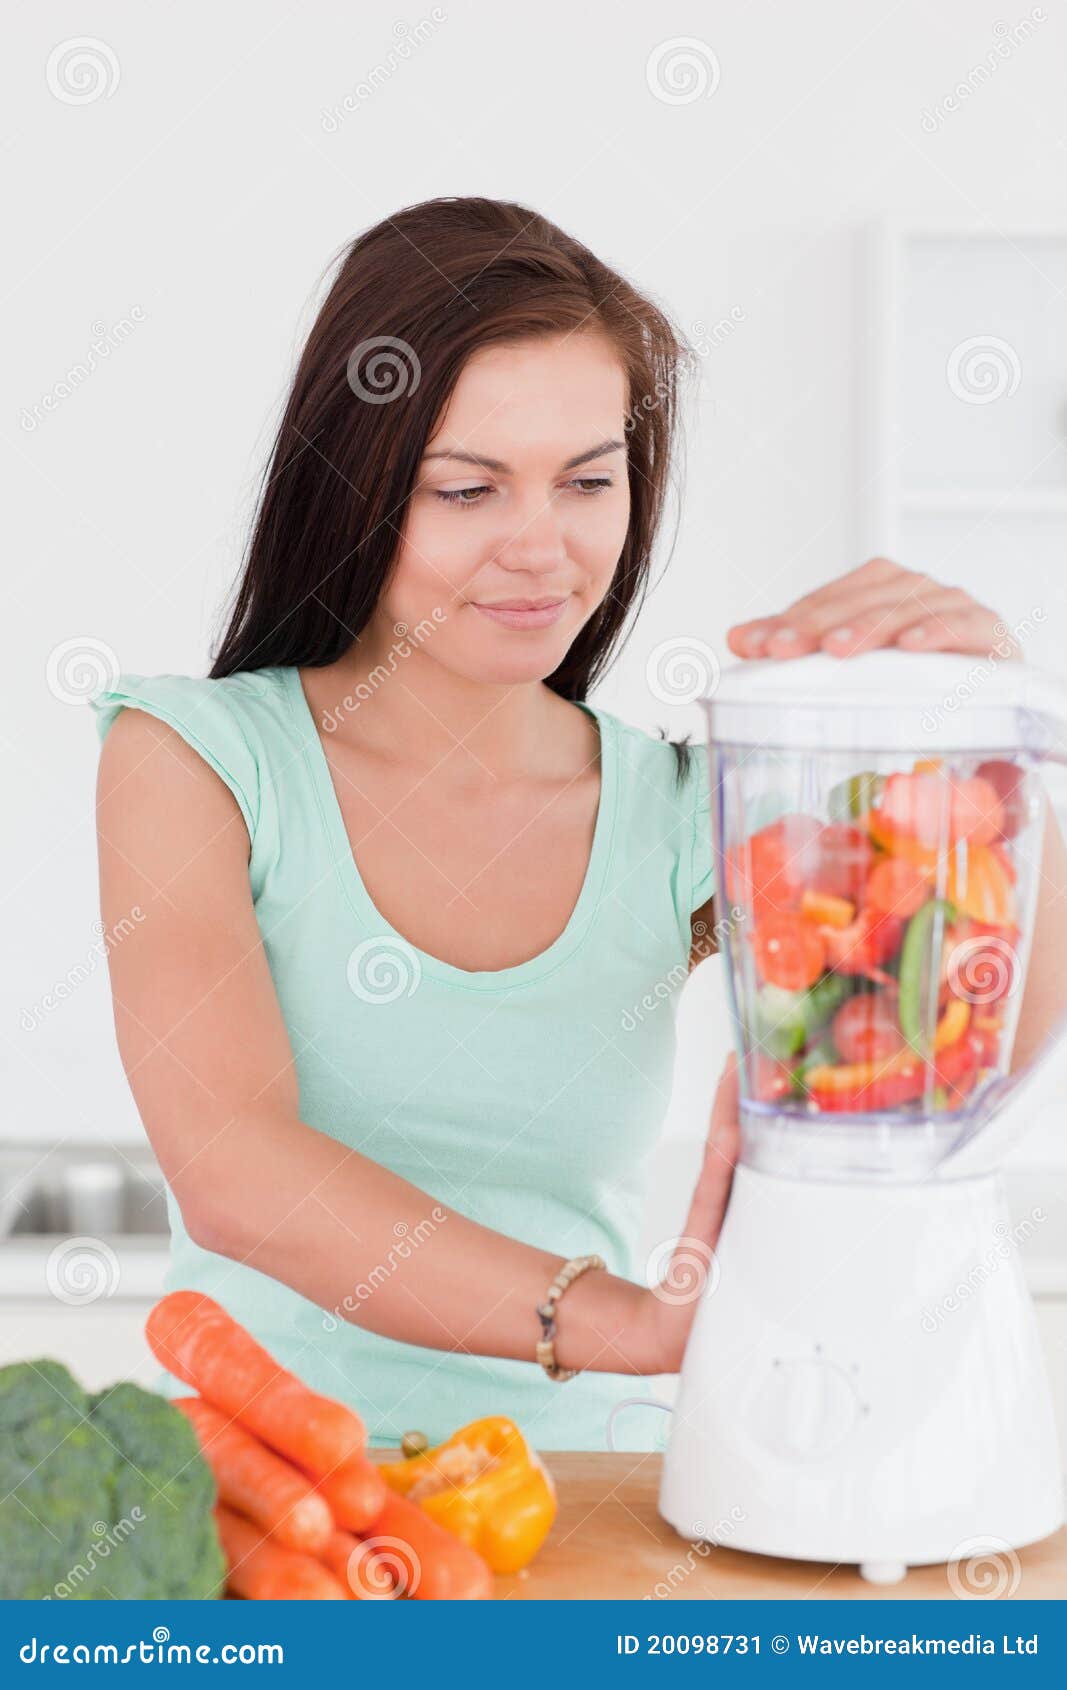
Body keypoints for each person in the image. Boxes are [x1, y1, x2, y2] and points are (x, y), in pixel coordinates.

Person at [93, 196, 1067, 1451]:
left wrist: (989, 742)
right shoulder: (197, 758)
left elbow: (960, 1040)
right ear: (354, 485)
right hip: (277, 1499)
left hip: (583, 1495)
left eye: (588, 481)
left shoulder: (687, 807)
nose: (540, 549)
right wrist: (619, 1322)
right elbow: (232, 1166)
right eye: (467, 489)